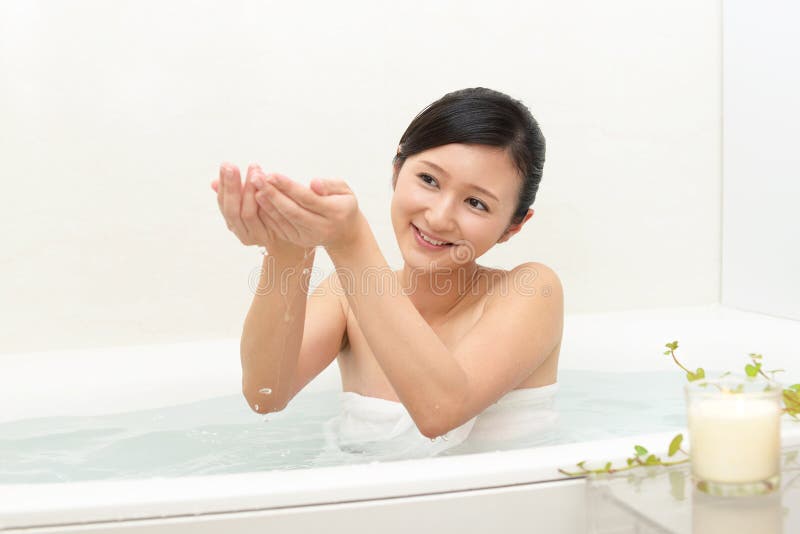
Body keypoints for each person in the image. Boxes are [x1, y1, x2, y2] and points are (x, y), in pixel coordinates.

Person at [211, 87, 563, 457]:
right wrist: (287, 249)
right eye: (429, 180)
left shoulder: (532, 290)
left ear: (513, 226)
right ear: (397, 170)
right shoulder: (344, 299)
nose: (439, 217)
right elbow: (265, 395)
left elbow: (439, 412)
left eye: (476, 203)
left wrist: (349, 242)